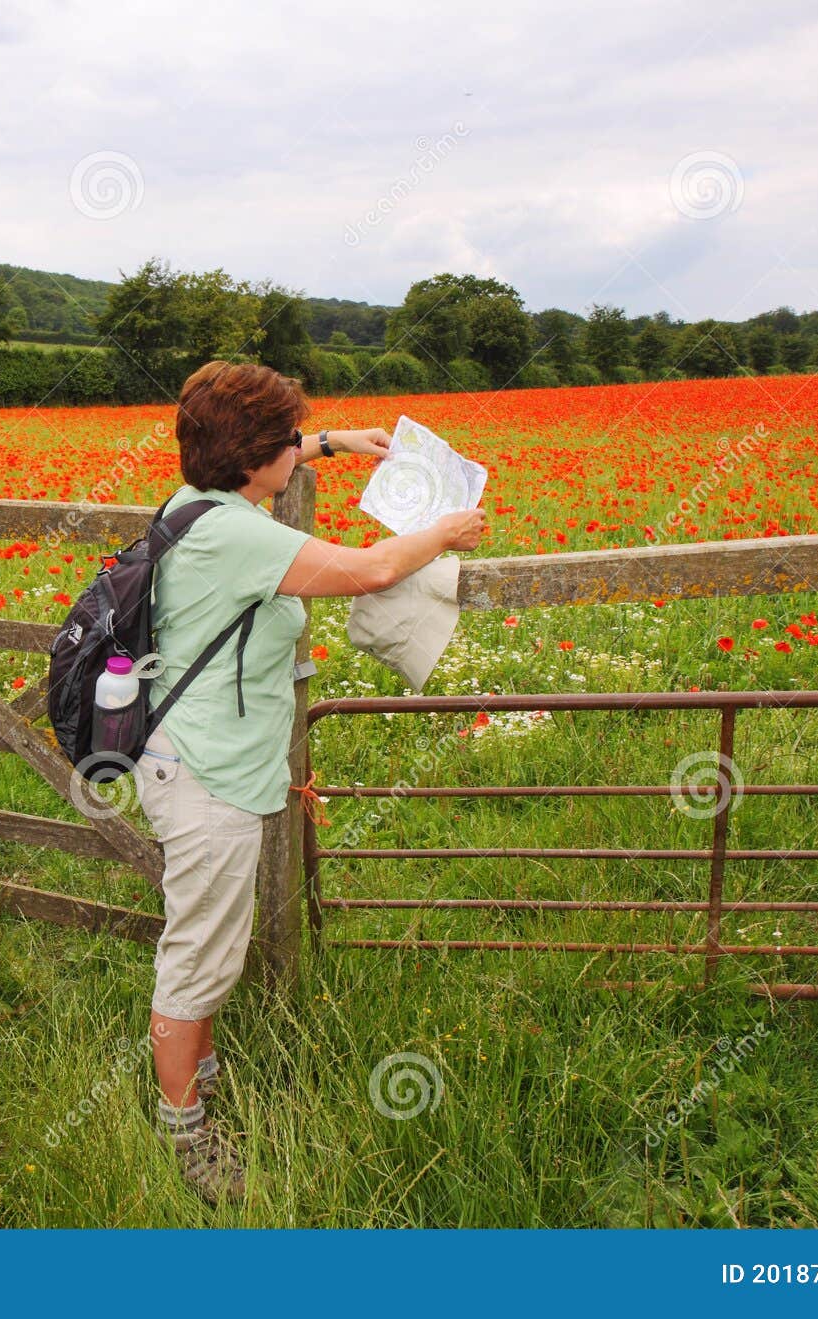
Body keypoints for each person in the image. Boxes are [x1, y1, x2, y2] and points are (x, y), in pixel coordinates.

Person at [132, 359, 486, 1205]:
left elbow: (268, 461)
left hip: (188, 755)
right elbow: (369, 572)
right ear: (252, 457)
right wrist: (443, 530)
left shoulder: (195, 505)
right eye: (286, 440)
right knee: (199, 954)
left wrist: (332, 443)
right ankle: (185, 1132)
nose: (298, 449)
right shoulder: (240, 535)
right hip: (206, 776)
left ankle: (199, 1074)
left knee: (210, 936)